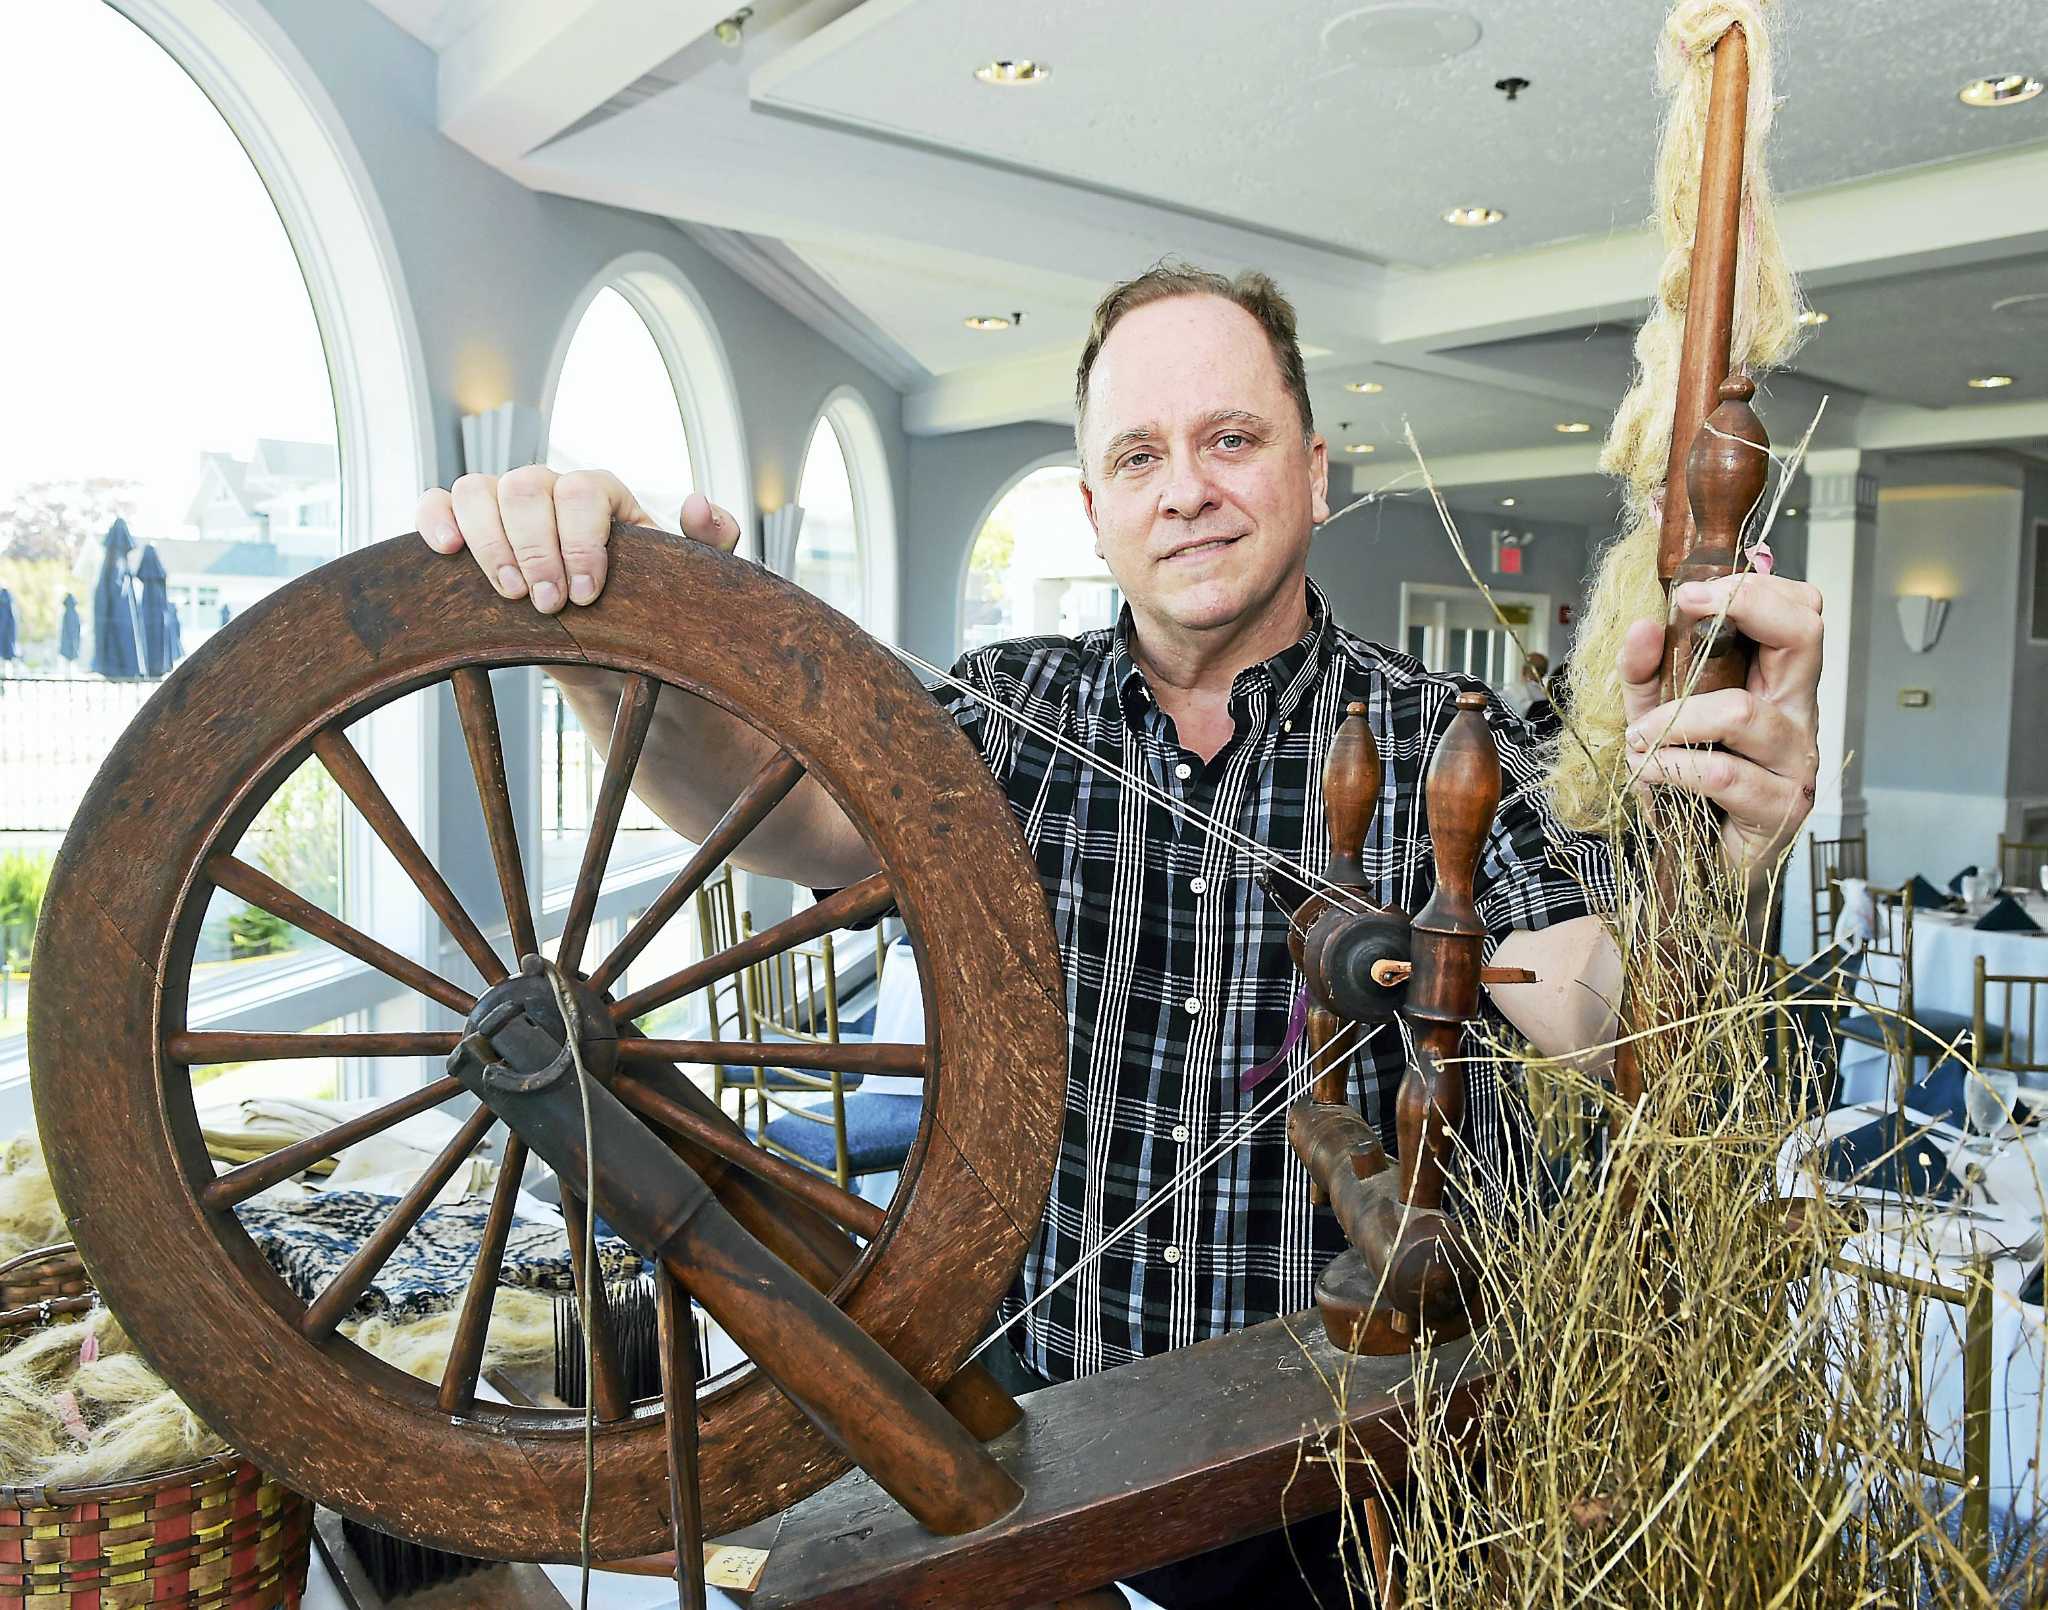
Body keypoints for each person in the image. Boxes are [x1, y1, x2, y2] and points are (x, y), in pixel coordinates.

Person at [416, 262, 1823, 1605]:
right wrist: (605, 639)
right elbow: (786, 815)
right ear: (1093, 508)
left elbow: (1586, 998)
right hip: (1036, 1453)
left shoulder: (1452, 738)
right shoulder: (1001, 712)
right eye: (1139, 455)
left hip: (1353, 1489)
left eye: (1230, 438)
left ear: (1316, 472)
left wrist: (1722, 859)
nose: (1187, 488)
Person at [1502, 650, 1549, 720]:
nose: (1540, 672)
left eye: (1541, 669)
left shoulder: (1546, 693)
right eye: (1538, 669)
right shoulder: (1511, 692)